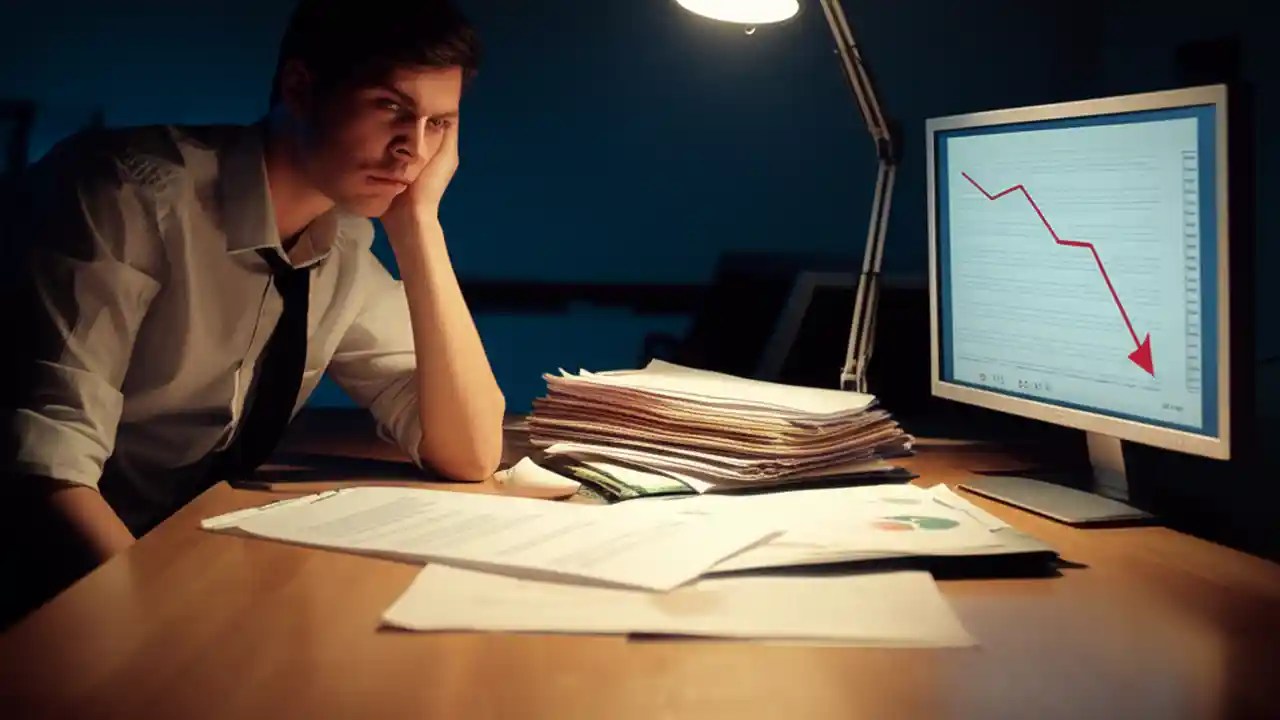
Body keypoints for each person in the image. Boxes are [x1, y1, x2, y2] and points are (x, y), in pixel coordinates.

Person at [0, 0, 505, 621]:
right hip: (45, 590)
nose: (413, 150)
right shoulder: (126, 198)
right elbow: (48, 474)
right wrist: (157, 632)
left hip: (173, 565)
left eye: (439, 124)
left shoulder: (342, 245)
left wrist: (419, 224)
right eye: (391, 108)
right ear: (300, 88)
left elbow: (468, 450)